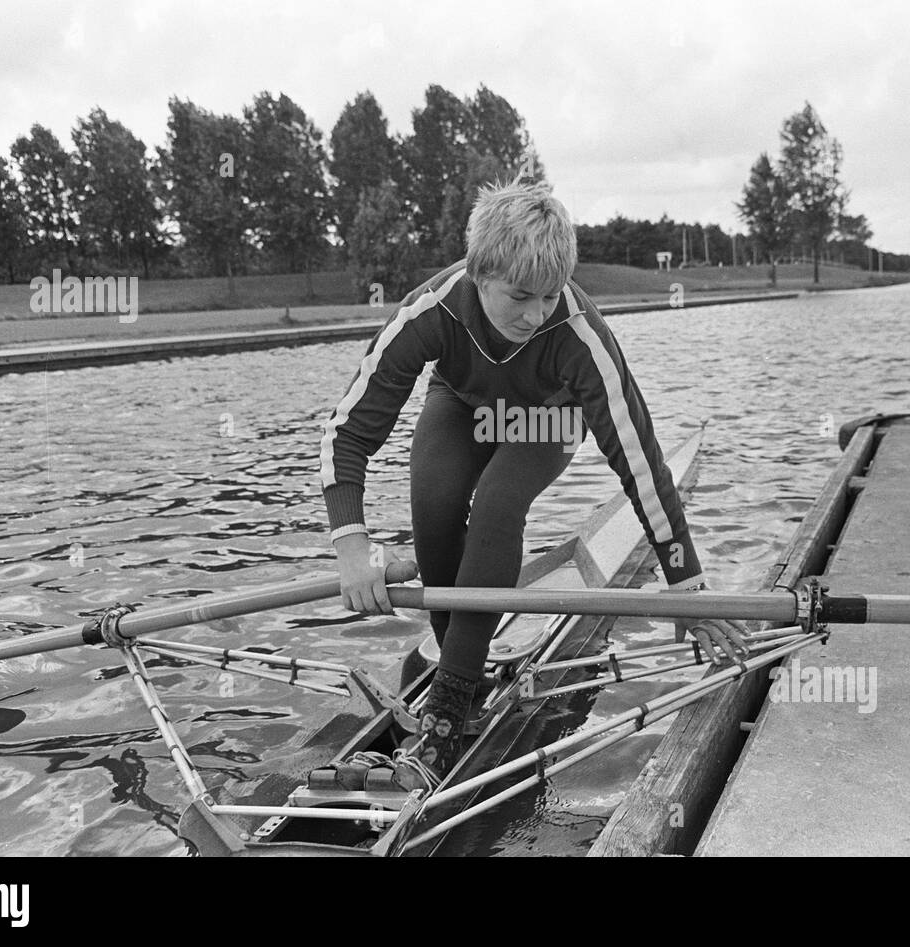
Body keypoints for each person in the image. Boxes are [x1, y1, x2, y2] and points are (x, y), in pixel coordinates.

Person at [320, 174, 748, 793]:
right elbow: (347, 430)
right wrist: (350, 544)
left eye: (550, 296)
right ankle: (460, 677)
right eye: (521, 296)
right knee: (435, 507)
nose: (537, 314)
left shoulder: (579, 335)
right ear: (479, 273)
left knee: (496, 505)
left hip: (547, 415)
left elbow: (639, 460)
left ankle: (447, 709)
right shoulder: (431, 309)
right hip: (461, 401)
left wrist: (687, 581)